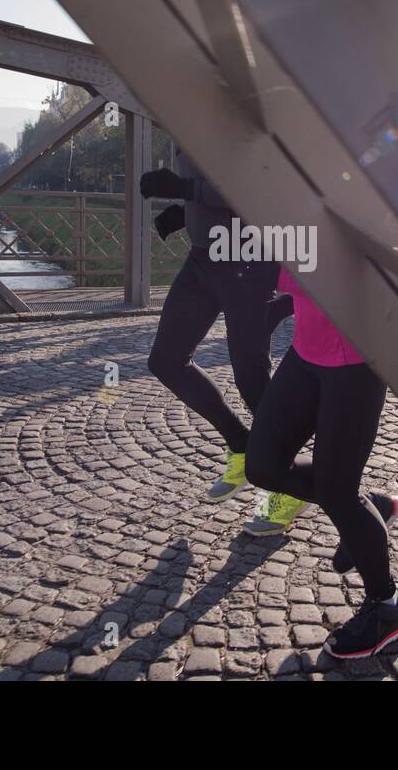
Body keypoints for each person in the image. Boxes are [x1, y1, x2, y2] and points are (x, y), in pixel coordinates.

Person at [245, 267, 398, 658]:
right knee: (263, 465)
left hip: (354, 358)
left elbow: (335, 259)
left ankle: (387, 607)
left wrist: (261, 268)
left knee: (336, 492)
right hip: (306, 350)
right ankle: (370, 511)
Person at [141, 150, 305, 536]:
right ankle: (241, 442)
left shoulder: (225, 106)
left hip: (246, 259)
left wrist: (185, 189)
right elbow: (214, 179)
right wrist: (186, 211)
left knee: (251, 380)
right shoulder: (182, 115)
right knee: (166, 361)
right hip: (203, 258)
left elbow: (259, 188)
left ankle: (289, 482)